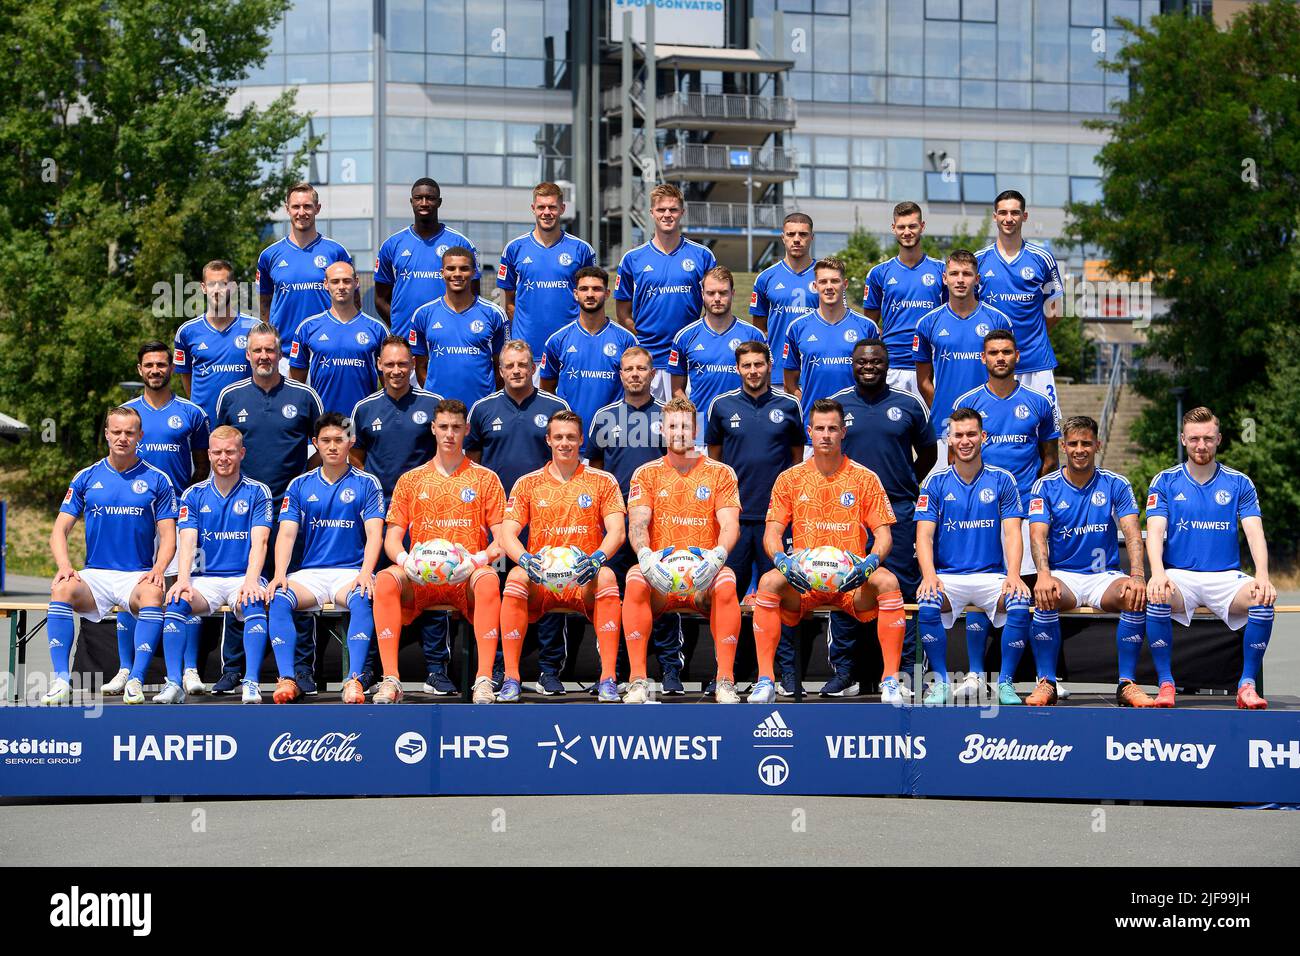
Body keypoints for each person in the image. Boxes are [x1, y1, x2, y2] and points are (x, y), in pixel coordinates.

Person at [752, 399, 908, 704]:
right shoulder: (790, 478)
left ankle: (890, 680)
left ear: (843, 432)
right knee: (768, 582)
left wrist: (870, 563)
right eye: (819, 428)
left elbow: (884, 535)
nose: (826, 435)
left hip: (850, 582)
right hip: (804, 582)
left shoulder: (865, 478)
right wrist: (783, 562)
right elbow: (771, 534)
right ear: (809, 431)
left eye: (832, 428)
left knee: (888, 582)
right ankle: (765, 681)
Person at [211, 323, 323, 694]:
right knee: (243, 585)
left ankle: (302, 669)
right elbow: (221, 447)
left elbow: (320, 448)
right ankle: (235, 668)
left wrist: (304, 492)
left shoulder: (305, 396)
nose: (263, 357)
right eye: (257, 351)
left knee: (292, 586)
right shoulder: (230, 396)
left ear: (281, 355)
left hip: (292, 508)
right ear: (248, 354)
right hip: (244, 509)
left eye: (270, 351)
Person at [371, 399, 506, 705]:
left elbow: (502, 540)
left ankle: (483, 679)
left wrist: (477, 560)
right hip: (421, 578)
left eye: (456, 428)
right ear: (433, 429)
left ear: (467, 430)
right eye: (443, 427)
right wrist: (405, 561)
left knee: (488, 580)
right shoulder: (411, 479)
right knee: (386, 580)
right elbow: (392, 538)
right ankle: (391, 679)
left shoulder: (486, 478)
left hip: (464, 577)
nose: (449, 434)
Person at [40, 407, 177, 705]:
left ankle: (136, 679)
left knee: (153, 594)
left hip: (136, 574)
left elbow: (169, 535)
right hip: (96, 574)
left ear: (140, 436)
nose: (122, 438)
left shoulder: (158, 480)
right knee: (61, 588)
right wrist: (64, 566)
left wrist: (159, 567)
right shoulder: (87, 477)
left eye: (129, 433)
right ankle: (62, 679)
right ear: (106, 434)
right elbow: (58, 531)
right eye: (116, 431)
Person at [1144, 406, 1275, 710]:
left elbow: (1255, 532)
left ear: (1219, 439)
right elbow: (1155, 530)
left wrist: (1263, 575)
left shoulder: (1239, 482)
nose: (1200, 445)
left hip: (1225, 577)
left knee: (1262, 599)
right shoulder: (1164, 481)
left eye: (1207, 438)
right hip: (1180, 575)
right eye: (1194, 439)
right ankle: (1166, 684)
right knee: (1157, 595)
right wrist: (1158, 573)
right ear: (1183, 440)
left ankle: (1246, 685)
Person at [951, 328, 1059, 683]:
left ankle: (1042, 675)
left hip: (1025, 513)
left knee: (1028, 593)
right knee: (982, 588)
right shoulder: (967, 404)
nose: (1000, 358)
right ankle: (976, 674)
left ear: (1017, 357)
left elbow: (1049, 461)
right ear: (983, 358)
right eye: (993, 352)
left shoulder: (1039, 402)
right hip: (980, 516)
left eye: (1007, 352)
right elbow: (958, 458)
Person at [829, 339, 937, 696]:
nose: (869, 367)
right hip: (847, 510)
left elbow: (928, 454)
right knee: (844, 585)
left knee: (903, 589)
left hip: (898, 508)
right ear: (853, 364)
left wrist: (902, 482)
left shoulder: (908, 404)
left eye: (876, 361)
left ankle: (906, 670)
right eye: (862, 362)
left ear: (887, 364)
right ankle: (847, 671)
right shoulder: (838, 405)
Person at [499, 411, 625, 702]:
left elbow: (616, 531)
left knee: (607, 575)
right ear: (548, 440)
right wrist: (526, 560)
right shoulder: (528, 483)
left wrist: (596, 559)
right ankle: (511, 678)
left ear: (581, 440)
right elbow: (507, 534)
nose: (565, 443)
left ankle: (608, 677)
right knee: (516, 576)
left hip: (582, 578)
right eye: (558, 437)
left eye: (571, 437)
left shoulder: (602, 481)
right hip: (542, 579)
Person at [467, 341, 571, 694]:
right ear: (500, 369)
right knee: (497, 593)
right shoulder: (482, 409)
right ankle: (497, 666)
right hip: (498, 521)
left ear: (533, 367)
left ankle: (548, 669)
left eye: (523, 365)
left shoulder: (555, 408)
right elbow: (475, 466)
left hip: (547, 516)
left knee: (550, 587)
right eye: (509, 365)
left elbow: (566, 457)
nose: (516, 371)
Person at [624, 398, 742, 703]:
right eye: (673, 426)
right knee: (635, 577)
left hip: (702, 576)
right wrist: (646, 558)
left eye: (685, 426)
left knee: (727, 578)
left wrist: (716, 558)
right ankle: (637, 680)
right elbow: (638, 524)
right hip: (661, 577)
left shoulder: (721, 473)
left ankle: (726, 680)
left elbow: (730, 525)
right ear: (662, 430)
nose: (679, 432)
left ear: (696, 430)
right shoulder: (645, 473)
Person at [350, 335, 450, 693]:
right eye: (389, 364)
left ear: (413, 366)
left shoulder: (432, 404)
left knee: (432, 583)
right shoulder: (363, 409)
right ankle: (373, 670)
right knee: (379, 589)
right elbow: (356, 456)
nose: (396, 371)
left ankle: (436, 670)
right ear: (379, 365)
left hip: (426, 510)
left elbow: (445, 451)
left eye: (402, 364)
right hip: (379, 515)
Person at [705, 341, 805, 694]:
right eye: (746, 365)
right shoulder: (721, 406)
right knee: (727, 598)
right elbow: (715, 464)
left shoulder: (790, 405)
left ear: (769, 365)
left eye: (759, 364)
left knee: (783, 596)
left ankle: (788, 674)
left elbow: (795, 461)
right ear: (737, 368)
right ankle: (727, 674)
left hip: (775, 522)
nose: (753, 371)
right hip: (734, 522)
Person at [265, 413, 385, 704]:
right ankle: (287, 679)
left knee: (362, 597)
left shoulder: (367, 483)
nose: (332, 446)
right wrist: (280, 572)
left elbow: (375, 535)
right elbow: (287, 535)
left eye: (339, 440)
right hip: (311, 574)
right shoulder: (299, 485)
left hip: (350, 572)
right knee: (279, 596)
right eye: (326, 441)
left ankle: (353, 680)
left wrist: (366, 572)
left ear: (350, 441)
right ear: (315, 443)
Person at [1029, 416, 1148, 707]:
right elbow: (1037, 535)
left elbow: (1132, 533)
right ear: (1063, 446)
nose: (1079, 449)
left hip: (1103, 576)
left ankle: (1127, 684)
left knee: (1134, 594)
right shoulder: (1045, 486)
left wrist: (1137, 575)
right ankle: (1047, 682)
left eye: (1086, 443)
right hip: (1063, 576)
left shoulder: (1115, 484)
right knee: (1047, 593)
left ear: (1097, 445)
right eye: (1073, 443)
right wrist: (1043, 575)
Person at [915, 407, 1030, 706]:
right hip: (948, 576)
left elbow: (1013, 533)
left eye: (971, 434)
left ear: (983, 437)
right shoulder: (935, 483)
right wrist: (929, 575)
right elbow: (924, 535)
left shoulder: (1002, 480)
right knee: (926, 602)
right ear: (949, 439)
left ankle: (1005, 683)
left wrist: (1014, 574)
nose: (965, 441)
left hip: (991, 575)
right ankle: (940, 682)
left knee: (1019, 601)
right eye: (959, 435)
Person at [587, 346, 684, 691]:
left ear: (652, 373)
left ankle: (671, 670)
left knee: (666, 593)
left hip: (662, 523)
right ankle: (621, 672)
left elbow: (681, 467)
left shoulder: (669, 416)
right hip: (618, 522)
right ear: (620, 374)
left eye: (642, 369)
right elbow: (597, 471)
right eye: (628, 369)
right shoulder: (604, 417)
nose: (635, 375)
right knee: (622, 596)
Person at [120, 342, 210, 697]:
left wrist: (188, 502)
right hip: (138, 517)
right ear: (140, 370)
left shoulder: (191, 413)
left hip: (179, 516)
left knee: (183, 586)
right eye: (149, 365)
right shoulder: (126, 413)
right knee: (131, 584)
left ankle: (188, 669)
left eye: (161, 364)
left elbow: (203, 465)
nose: (155, 370)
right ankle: (126, 669)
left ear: (171, 368)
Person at [160, 427, 274, 703]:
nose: (224, 458)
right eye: (218, 452)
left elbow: (260, 543)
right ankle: (174, 683)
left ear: (241, 453)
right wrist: (184, 580)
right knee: (177, 601)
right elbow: (187, 542)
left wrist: (250, 581)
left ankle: (252, 682)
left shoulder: (258, 492)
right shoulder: (193, 495)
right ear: (209, 455)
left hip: (242, 576)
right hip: (205, 579)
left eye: (230, 452)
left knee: (254, 603)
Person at [614, 184, 717, 401]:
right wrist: (642, 336)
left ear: (682, 212)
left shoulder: (702, 256)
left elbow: (714, 304)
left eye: (673, 210)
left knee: (686, 428)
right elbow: (623, 313)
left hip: (690, 359)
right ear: (651, 213)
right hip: (649, 360)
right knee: (649, 429)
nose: (667, 215)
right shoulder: (633, 259)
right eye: (661, 210)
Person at [975, 190, 1065, 418]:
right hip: (993, 364)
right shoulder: (979, 260)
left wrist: (1033, 336)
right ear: (994, 216)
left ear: (1024, 216)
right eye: (1003, 213)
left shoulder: (1042, 257)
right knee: (992, 429)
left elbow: (1056, 310)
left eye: (1015, 212)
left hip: (1036, 361)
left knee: (1045, 433)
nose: (1009, 218)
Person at [913, 250, 1014, 451]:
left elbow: (1007, 375)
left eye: (966, 274)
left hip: (989, 423)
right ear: (944, 278)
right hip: (944, 425)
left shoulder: (998, 320)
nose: (960, 280)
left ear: (977, 279)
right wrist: (945, 408)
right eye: (954, 273)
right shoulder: (927, 323)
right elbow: (923, 381)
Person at [498, 182, 596, 370]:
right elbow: (508, 301)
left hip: (569, 350)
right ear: (533, 209)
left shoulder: (582, 249)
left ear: (562, 208)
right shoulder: (514, 249)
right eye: (541, 207)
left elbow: (589, 298)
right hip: (528, 353)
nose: (547, 212)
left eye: (552, 207)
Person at [540, 266, 636, 458]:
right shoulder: (557, 340)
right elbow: (547, 392)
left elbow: (634, 391)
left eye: (597, 289)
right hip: (570, 443)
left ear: (607, 293)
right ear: (575, 294)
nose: (590, 294)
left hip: (613, 441)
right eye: (584, 289)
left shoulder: (626, 340)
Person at [781, 256, 881, 435]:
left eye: (835, 281)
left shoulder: (867, 327)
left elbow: (877, 380)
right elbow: (789, 381)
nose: (829, 287)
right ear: (815, 286)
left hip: (855, 428)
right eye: (823, 281)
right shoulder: (797, 327)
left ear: (845, 284)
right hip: (813, 431)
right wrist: (807, 405)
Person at [374, 178, 480, 344]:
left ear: (439, 202)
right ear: (411, 202)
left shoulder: (460, 243)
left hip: (448, 338)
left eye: (430, 198)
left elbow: (474, 296)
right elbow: (380, 299)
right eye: (418, 198)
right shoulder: (392, 245)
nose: (424, 203)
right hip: (405, 342)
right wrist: (399, 328)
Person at [257, 182, 353, 359]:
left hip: (327, 351)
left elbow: (353, 303)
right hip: (284, 354)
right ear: (287, 209)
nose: (301, 212)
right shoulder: (269, 255)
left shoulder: (336, 252)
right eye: (296, 207)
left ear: (317, 208)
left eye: (307, 206)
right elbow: (264, 304)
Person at [863, 201, 946, 402]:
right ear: (894, 229)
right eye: (901, 227)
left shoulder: (941, 271)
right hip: (893, 365)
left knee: (931, 429)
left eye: (912, 226)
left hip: (931, 365)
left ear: (922, 227)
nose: (907, 232)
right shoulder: (878, 273)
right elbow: (870, 326)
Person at [667, 265, 764, 436]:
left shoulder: (753, 335)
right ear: (702, 294)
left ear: (732, 294)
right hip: (700, 432)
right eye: (711, 293)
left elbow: (764, 385)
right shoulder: (684, 336)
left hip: (743, 430)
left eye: (723, 293)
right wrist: (693, 419)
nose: (717, 298)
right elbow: (676, 390)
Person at [409, 246, 505, 408]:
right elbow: (420, 368)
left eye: (464, 269)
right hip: (440, 412)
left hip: (481, 409)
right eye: (451, 268)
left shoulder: (494, 314)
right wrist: (436, 400)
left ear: (474, 272)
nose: (457, 274)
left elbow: (501, 368)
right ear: (442, 273)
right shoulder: (423, 314)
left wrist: (488, 401)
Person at [288, 261, 387, 416]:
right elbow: (295, 385)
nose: (341, 286)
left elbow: (387, 384)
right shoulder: (307, 328)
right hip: (322, 422)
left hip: (364, 421)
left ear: (356, 282)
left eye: (347, 281)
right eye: (335, 281)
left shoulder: (377, 329)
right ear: (326, 284)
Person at [173, 259, 255, 424]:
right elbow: (186, 375)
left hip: (246, 421)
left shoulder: (253, 327)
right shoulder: (187, 332)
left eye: (223, 284)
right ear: (203, 288)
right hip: (204, 424)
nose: (217, 290)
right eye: (211, 284)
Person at [750, 212, 818, 364]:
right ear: (783, 237)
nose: (796, 239)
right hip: (777, 370)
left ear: (812, 237)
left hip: (816, 368)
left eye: (803, 234)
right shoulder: (765, 277)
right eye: (791, 234)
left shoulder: (826, 277)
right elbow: (759, 329)